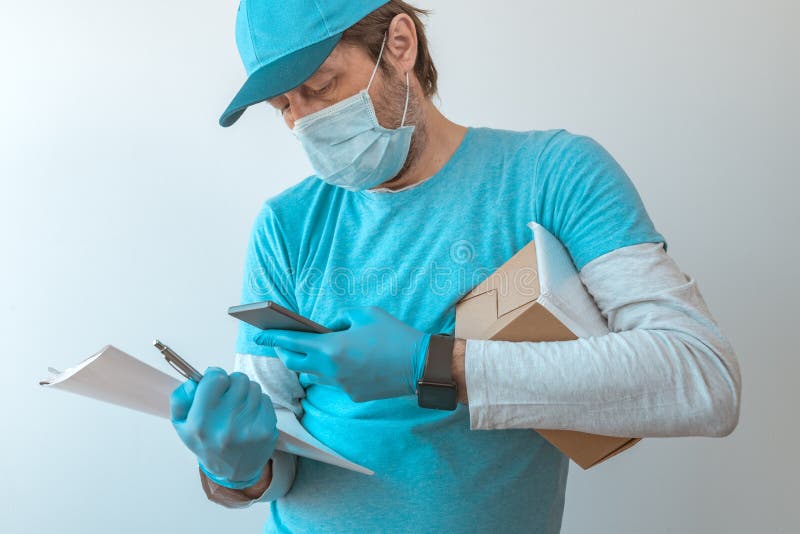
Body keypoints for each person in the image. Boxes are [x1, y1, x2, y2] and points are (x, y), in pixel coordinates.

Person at [168, 1, 742, 532]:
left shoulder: (552, 176)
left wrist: (436, 364)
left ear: (399, 44)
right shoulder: (287, 227)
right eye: (284, 107)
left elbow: (701, 378)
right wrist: (237, 471)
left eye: (321, 87)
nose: (303, 124)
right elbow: (278, 455)